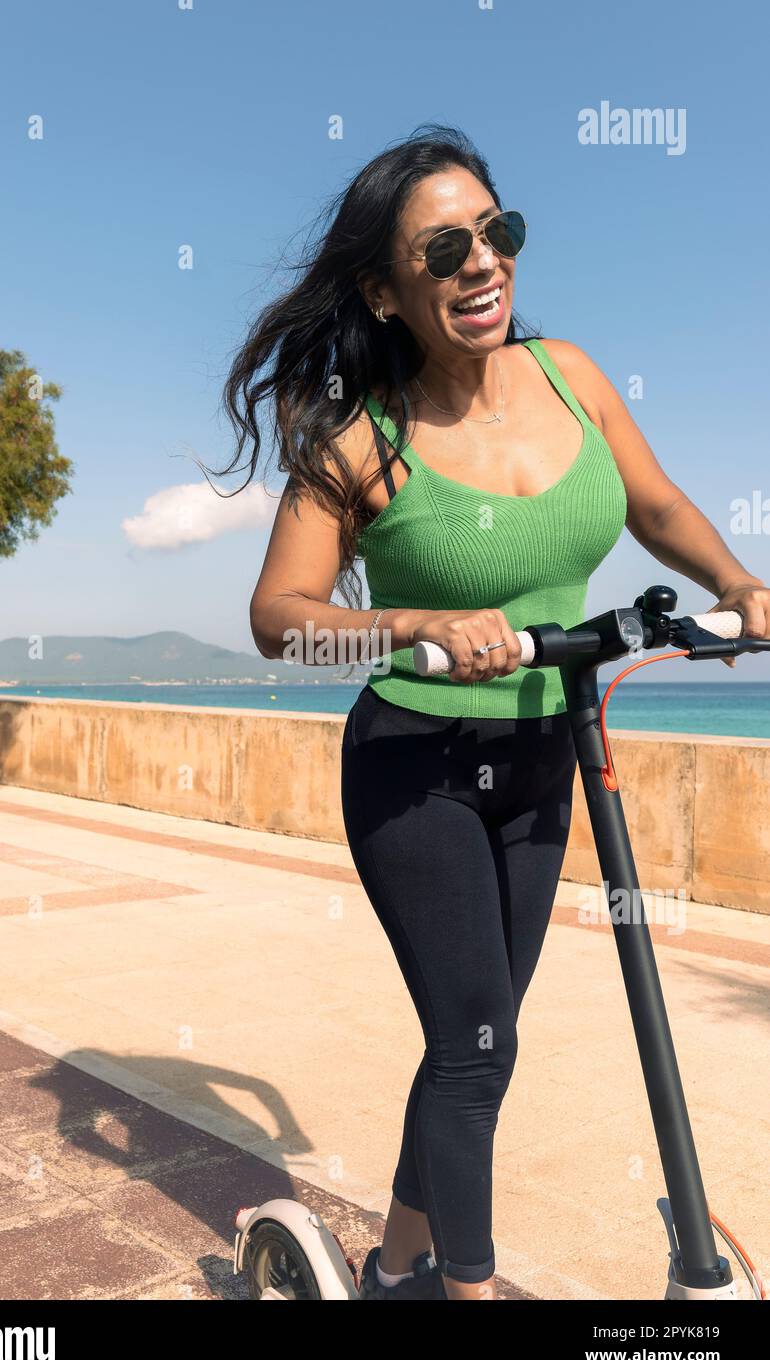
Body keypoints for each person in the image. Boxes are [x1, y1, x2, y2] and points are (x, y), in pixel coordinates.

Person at [228, 124, 770, 1300]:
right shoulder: (357, 442)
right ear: (383, 288)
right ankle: (463, 1292)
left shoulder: (570, 376)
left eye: (496, 233)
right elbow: (281, 617)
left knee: (477, 1041)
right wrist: (411, 623)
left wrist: (734, 588)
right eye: (443, 248)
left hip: (543, 752)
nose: (481, 264)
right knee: (474, 1044)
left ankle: (397, 1263)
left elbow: (657, 504)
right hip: (415, 764)